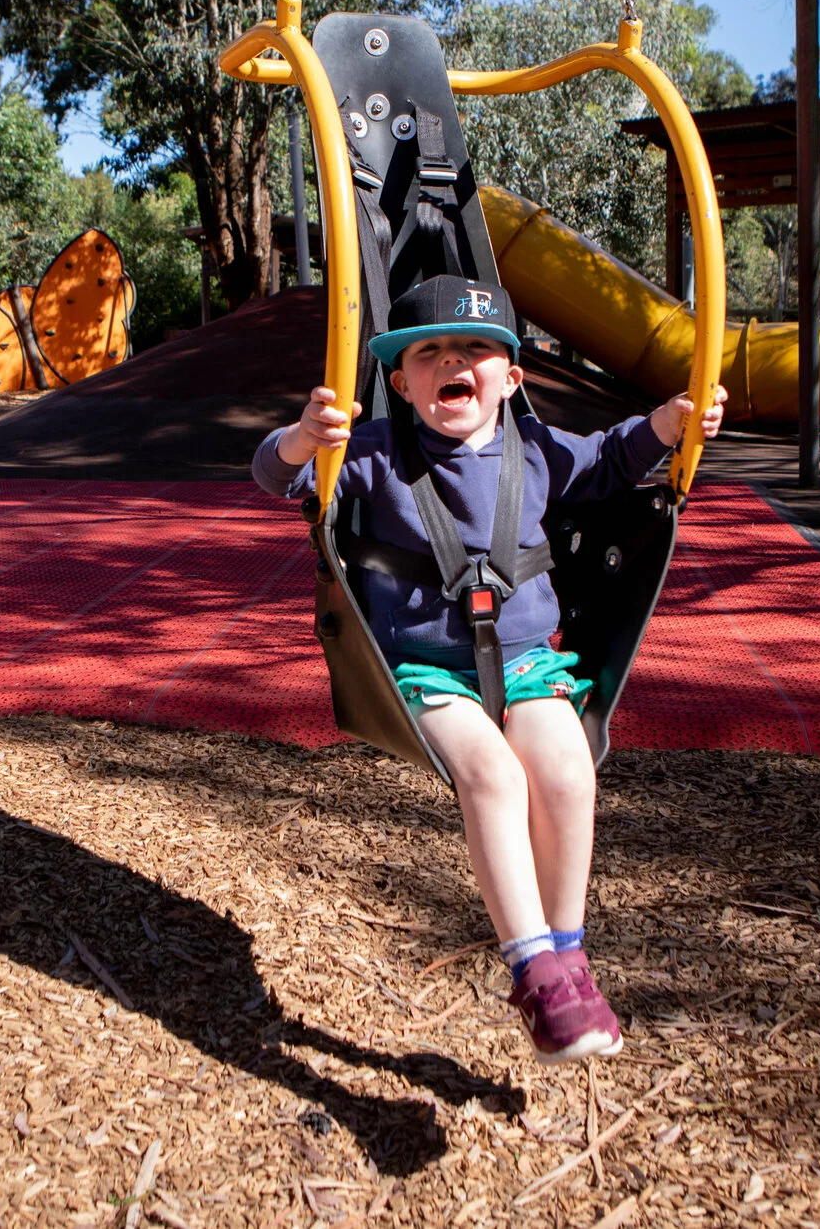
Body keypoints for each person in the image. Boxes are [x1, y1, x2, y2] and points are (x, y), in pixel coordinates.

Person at [253, 274, 725, 1062]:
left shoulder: (535, 449)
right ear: (401, 384)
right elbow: (278, 474)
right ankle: (533, 969)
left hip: (529, 660)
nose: (452, 362)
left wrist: (670, 422)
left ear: (511, 377)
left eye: (474, 348)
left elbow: (614, 458)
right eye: (428, 353)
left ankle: (568, 954)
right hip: (425, 669)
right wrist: (305, 437)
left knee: (568, 770)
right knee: (495, 778)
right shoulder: (376, 454)